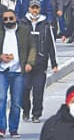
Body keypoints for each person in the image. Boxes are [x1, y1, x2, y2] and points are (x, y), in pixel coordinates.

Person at [20, 0, 58, 123]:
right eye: (33, 8)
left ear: (40, 9)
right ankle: (26, 110)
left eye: (37, 8)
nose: (34, 10)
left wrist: (54, 63)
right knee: (24, 89)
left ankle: (36, 114)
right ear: (29, 9)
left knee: (38, 91)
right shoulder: (22, 23)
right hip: (25, 64)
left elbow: (51, 45)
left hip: (41, 63)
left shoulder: (46, 24)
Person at [0, 9, 36, 137]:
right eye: (5, 19)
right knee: (1, 99)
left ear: (15, 18)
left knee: (16, 102)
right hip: (2, 72)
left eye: (11, 18)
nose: (8, 21)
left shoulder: (24, 31)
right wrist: (1, 56)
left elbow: (32, 48)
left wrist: (29, 63)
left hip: (18, 72)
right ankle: (1, 128)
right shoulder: (1, 31)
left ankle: (13, 129)